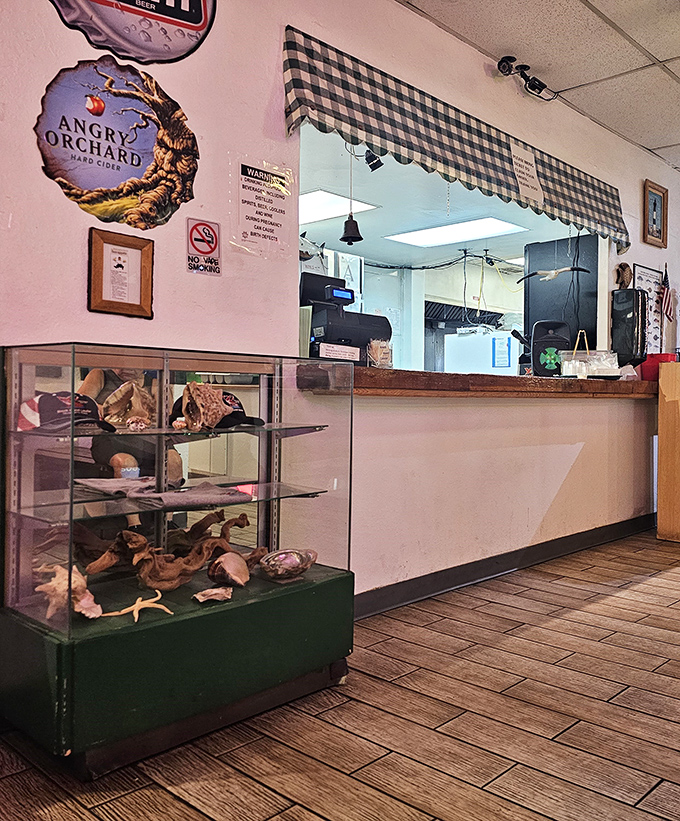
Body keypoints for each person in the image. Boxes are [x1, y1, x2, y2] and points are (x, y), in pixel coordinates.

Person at [78, 367, 183, 532]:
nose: (125, 368)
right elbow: (81, 404)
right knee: (126, 463)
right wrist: (118, 409)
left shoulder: (154, 383)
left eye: (132, 365)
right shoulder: (100, 375)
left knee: (173, 459)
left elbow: (166, 414)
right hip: (111, 439)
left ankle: (167, 521)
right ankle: (135, 524)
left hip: (148, 440)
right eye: (120, 364)